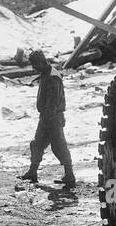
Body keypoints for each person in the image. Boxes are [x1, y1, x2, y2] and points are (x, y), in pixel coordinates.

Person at [20, 50, 75, 188]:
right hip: (47, 116)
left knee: (59, 146)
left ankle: (69, 175)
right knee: (37, 144)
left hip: (52, 118)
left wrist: (46, 119)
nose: (34, 68)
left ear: (40, 62)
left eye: (34, 65)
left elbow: (53, 101)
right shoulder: (46, 73)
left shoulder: (52, 76)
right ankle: (32, 172)